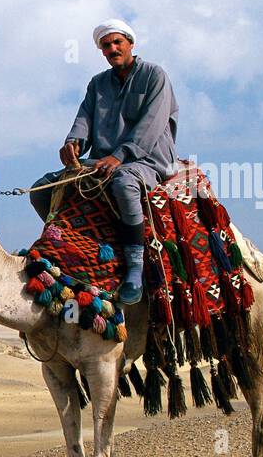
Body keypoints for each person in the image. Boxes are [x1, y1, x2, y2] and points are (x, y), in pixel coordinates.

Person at [30, 18, 179, 305]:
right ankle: (67, 242)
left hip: (147, 159)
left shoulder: (154, 76)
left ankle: (134, 267)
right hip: (101, 160)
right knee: (41, 189)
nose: (112, 48)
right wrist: (72, 143)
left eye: (117, 42)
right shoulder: (97, 84)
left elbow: (151, 125)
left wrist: (120, 155)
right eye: (106, 45)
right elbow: (84, 119)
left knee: (124, 183)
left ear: (130, 44)